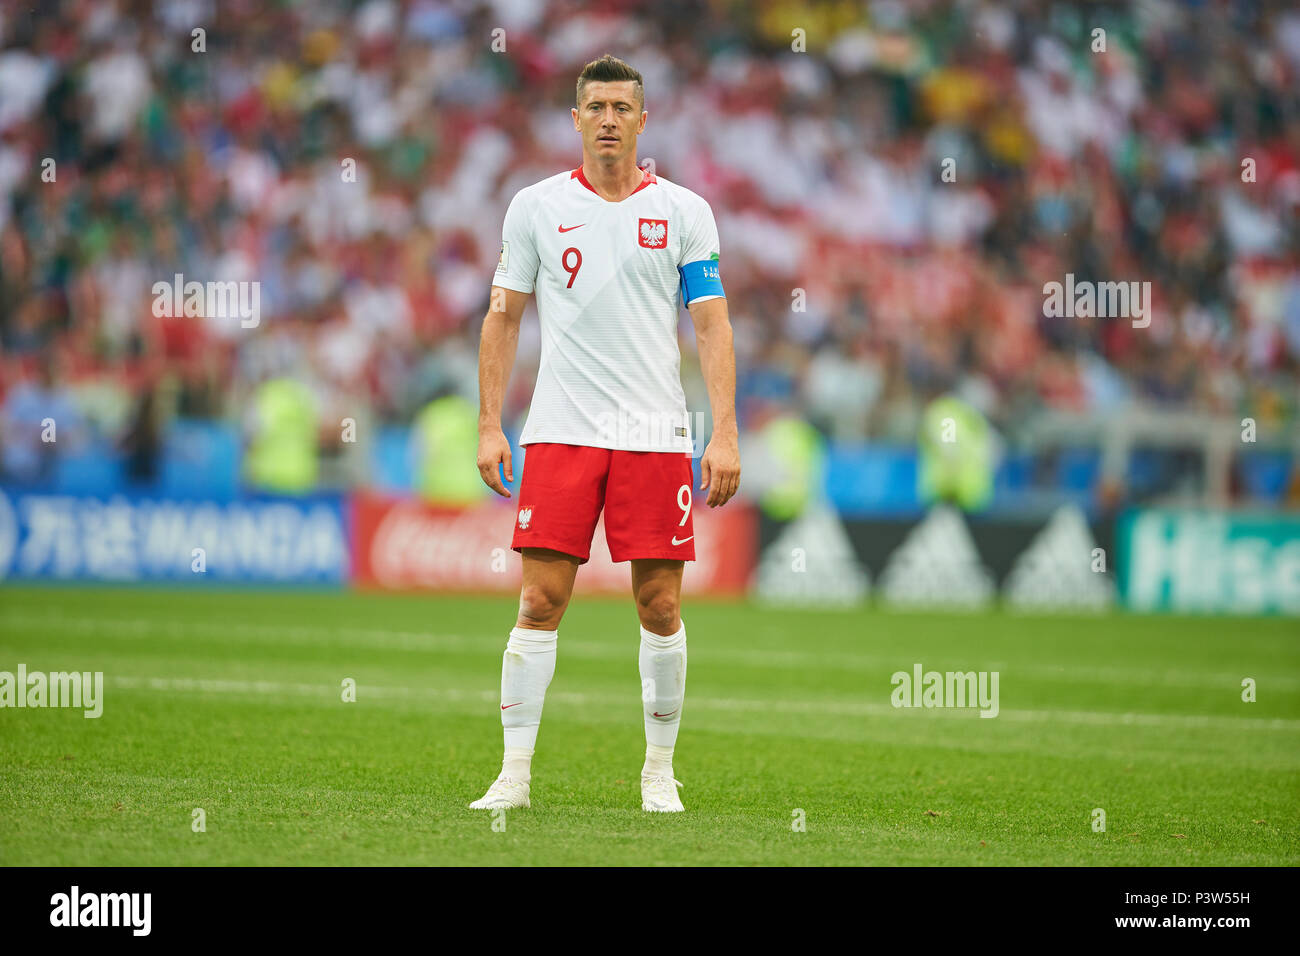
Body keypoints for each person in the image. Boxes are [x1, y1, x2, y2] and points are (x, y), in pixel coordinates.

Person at [470, 54, 740, 813]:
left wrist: (724, 432)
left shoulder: (686, 211)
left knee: (659, 605)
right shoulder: (534, 207)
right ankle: (513, 777)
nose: (611, 119)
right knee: (539, 601)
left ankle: (658, 773)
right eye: (598, 107)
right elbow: (503, 316)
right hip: (561, 430)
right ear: (578, 118)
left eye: (624, 107)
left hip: (654, 434)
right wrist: (490, 423)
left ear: (644, 120)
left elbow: (713, 325)